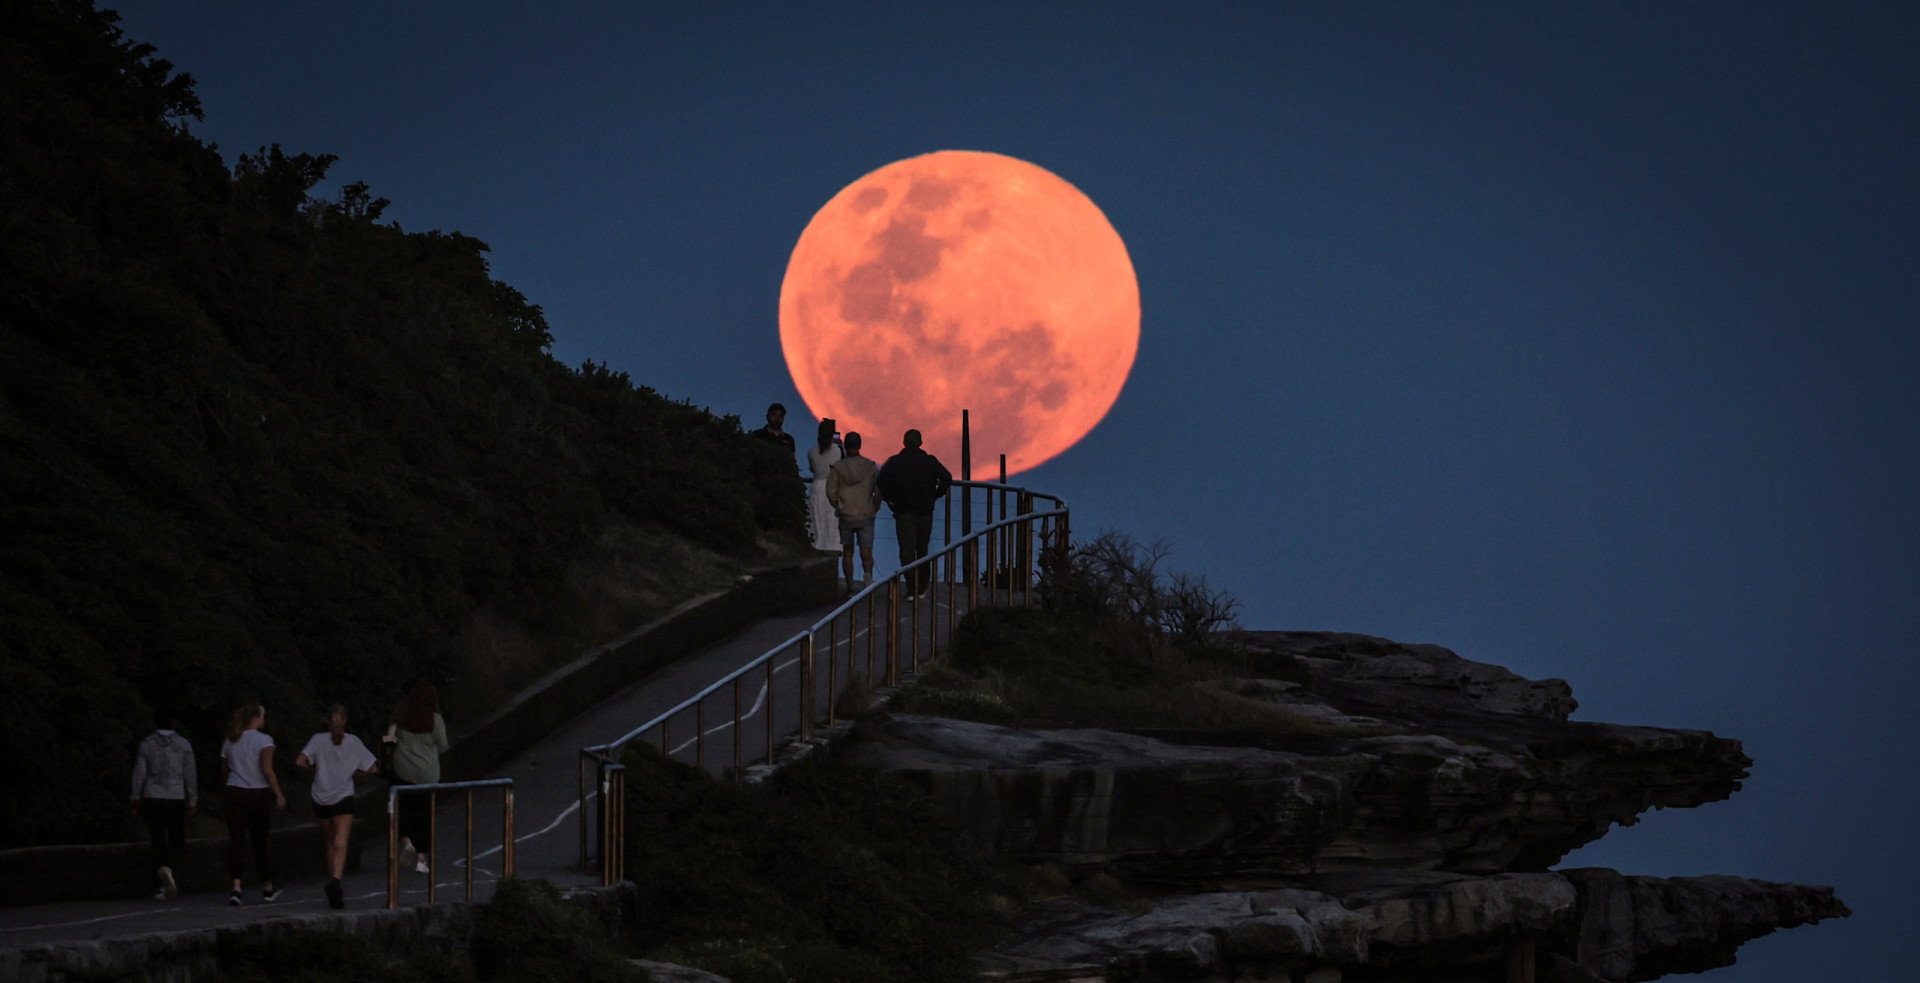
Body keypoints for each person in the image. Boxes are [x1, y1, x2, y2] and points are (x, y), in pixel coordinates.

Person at [296, 704, 377, 909]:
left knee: (330, 842)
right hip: (343, 795)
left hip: (320, 796)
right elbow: (372, 767)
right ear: (345, 721)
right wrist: (354, 772)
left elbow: (300, 761)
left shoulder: (317, 740)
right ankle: (336, 881)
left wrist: (314, 768)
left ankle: (332, 878)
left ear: (327, 721)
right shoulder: (354, 742)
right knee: (342, 840)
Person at [220, 702, 285, 905]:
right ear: (257, 718)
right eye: (263, 715)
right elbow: (267, 770)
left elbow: (225, 769)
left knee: (237, 841)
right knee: (260, 842)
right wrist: (278, 794)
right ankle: (267, 886)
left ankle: (236, 888)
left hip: (234, 792)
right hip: (257, 794)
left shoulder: (231, 740)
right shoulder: (264, 740)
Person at [876, 429, 952, 595]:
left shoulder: (895, 462)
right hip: (925, 511)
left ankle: (911, 586)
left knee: (906, 550)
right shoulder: (930, 461)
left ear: (904, 442)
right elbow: (947, 477)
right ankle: (922, 586)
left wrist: (890, 499)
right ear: (921, 443)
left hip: (903, 511)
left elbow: (881, 481)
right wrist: (936, 494)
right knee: (922, 549)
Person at [130, 711, 196, 901]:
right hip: (175, 796)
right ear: (173, 723)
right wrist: (192, 798)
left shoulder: (146, 744)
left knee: (157, 840)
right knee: (176, 839)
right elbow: (190, 773)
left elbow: (139, 773)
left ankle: (158, 888)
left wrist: (135, 797)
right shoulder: (183, 745)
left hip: (152, 795)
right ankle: (167, 867)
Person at [385, 678, 448, 875]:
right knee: (425, 815)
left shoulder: (401, 716)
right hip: (428, 774)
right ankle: (421, 860)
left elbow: (390, 739)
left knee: (403, 811)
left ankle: (406, 841)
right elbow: (444, 745)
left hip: (403, 771)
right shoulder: (435, 720)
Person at [826, 431, 881, 591]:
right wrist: (875, 505)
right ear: (860, 446)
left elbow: (830, 491)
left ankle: (850, 586)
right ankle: (868, 578)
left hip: (846, 514)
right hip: (866, 513)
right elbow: (879, 489)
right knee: (866, 550)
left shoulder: (838, 468)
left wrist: (838, 505)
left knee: (847, 551)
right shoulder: (870, 466)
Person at [806, 419, 844, 553]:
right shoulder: (839, 451)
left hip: (817, 487)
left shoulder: (812, 452)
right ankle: (833, 548)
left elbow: (812, 469)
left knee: (816, 522)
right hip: (832, 488)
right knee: (832, 523)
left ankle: (816, 546)